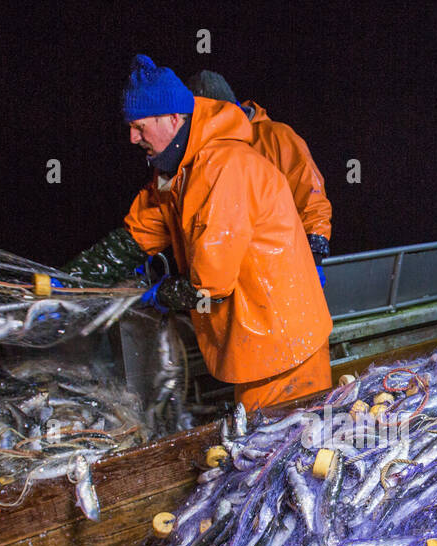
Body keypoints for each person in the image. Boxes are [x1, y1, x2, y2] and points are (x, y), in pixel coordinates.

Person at [120, 55, 332, 412]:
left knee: (290, 443)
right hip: (253, 335)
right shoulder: (180, 169)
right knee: (269, 437)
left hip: (278, 333)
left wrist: (313, 253)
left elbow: (210, 283)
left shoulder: (233, 162)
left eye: (139, 126)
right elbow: (145, 226)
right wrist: (72, 278)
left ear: (179, 117)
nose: (131, 138)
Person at [185, 71, 333, 284]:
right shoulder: (200, 150)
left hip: (281, 265)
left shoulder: (277, 137)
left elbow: (312, 199)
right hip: (229, 273)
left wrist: (314, 258)